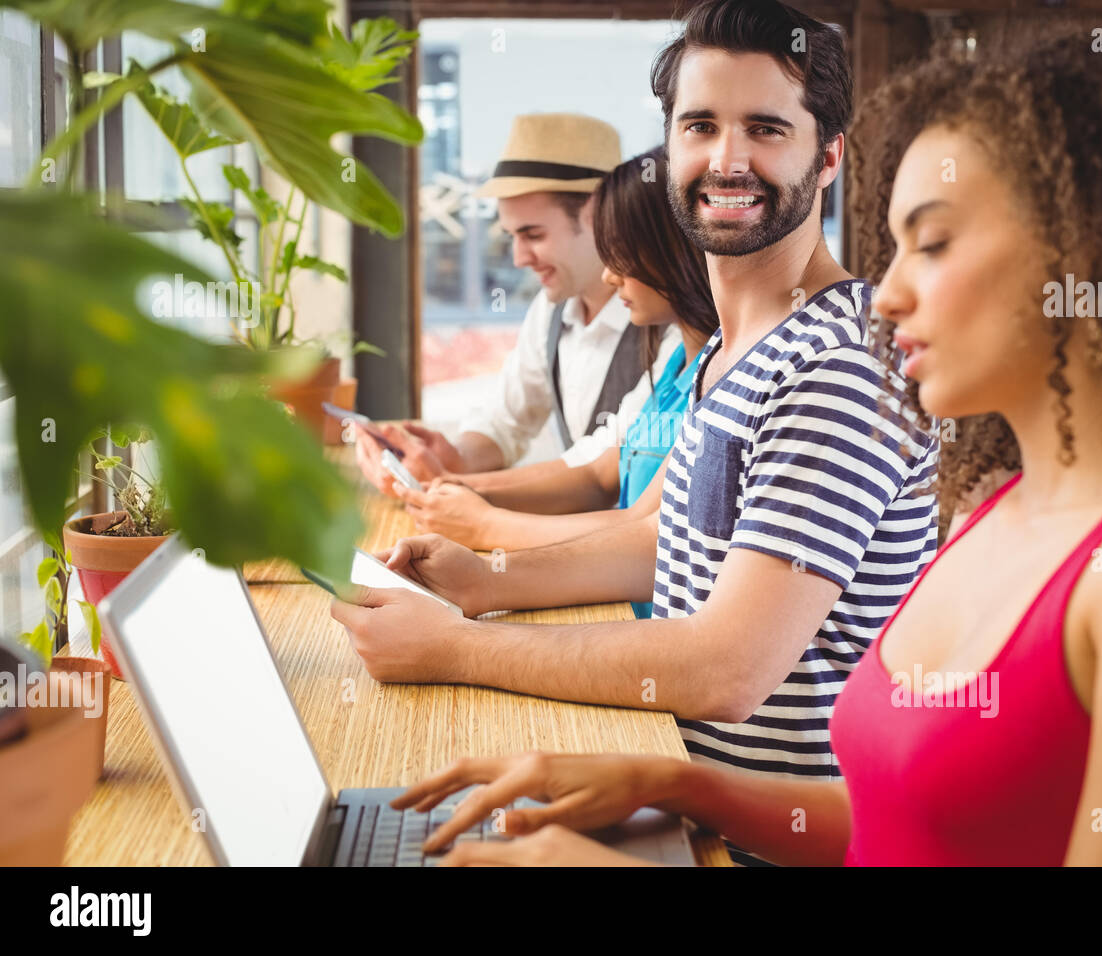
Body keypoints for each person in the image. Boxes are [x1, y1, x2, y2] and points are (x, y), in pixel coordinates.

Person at [381, 29, 1102, 867]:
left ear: (1086, 254)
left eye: (931, 245)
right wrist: (681, 784)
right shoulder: (993, 508)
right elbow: (909, 820)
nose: (887, 297)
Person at [329, 0, 938, 866]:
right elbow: (665, 543)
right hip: (678, 801)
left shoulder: (837, 363)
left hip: (765, 846)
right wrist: (485, 579)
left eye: (766, 128)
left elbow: (727, 669)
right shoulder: (737, 345)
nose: (728, 160)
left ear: (828, 154)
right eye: (702, 125)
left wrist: (457, 648)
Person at [395, 146, 720, 619]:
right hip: (610, 605)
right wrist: (455, 486)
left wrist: (485, 527)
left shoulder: (714, 367)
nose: (612, 274)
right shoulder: (673, 363)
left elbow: (638, 530)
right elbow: (593, 469)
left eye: (533, 234)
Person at [354, 113, 678, 500]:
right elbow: (507, 420)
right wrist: (452, 459)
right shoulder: (551, 308)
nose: (519, 258)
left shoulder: (671, 322)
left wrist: (450, 486)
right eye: (511, 236)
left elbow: (603, 464)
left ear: (598, 214)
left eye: (533, 235)